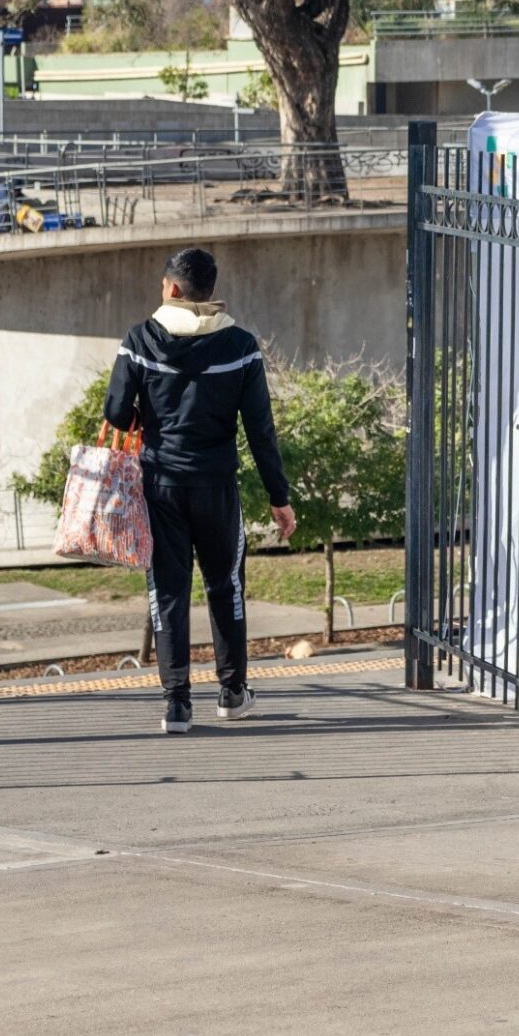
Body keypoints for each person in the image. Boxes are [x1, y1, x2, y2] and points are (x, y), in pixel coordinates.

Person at [104, 246, 297, 735]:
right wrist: (279, 497)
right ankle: (232, 694)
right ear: (212, 292)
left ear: (171, 288)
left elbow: (115, 413)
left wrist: (147, 416)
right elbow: (260, 430)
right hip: (216, 486)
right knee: (224, 584)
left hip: (159, 485)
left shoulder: (139, 341)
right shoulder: (241, 346)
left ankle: (177, 705)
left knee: (167, 590)